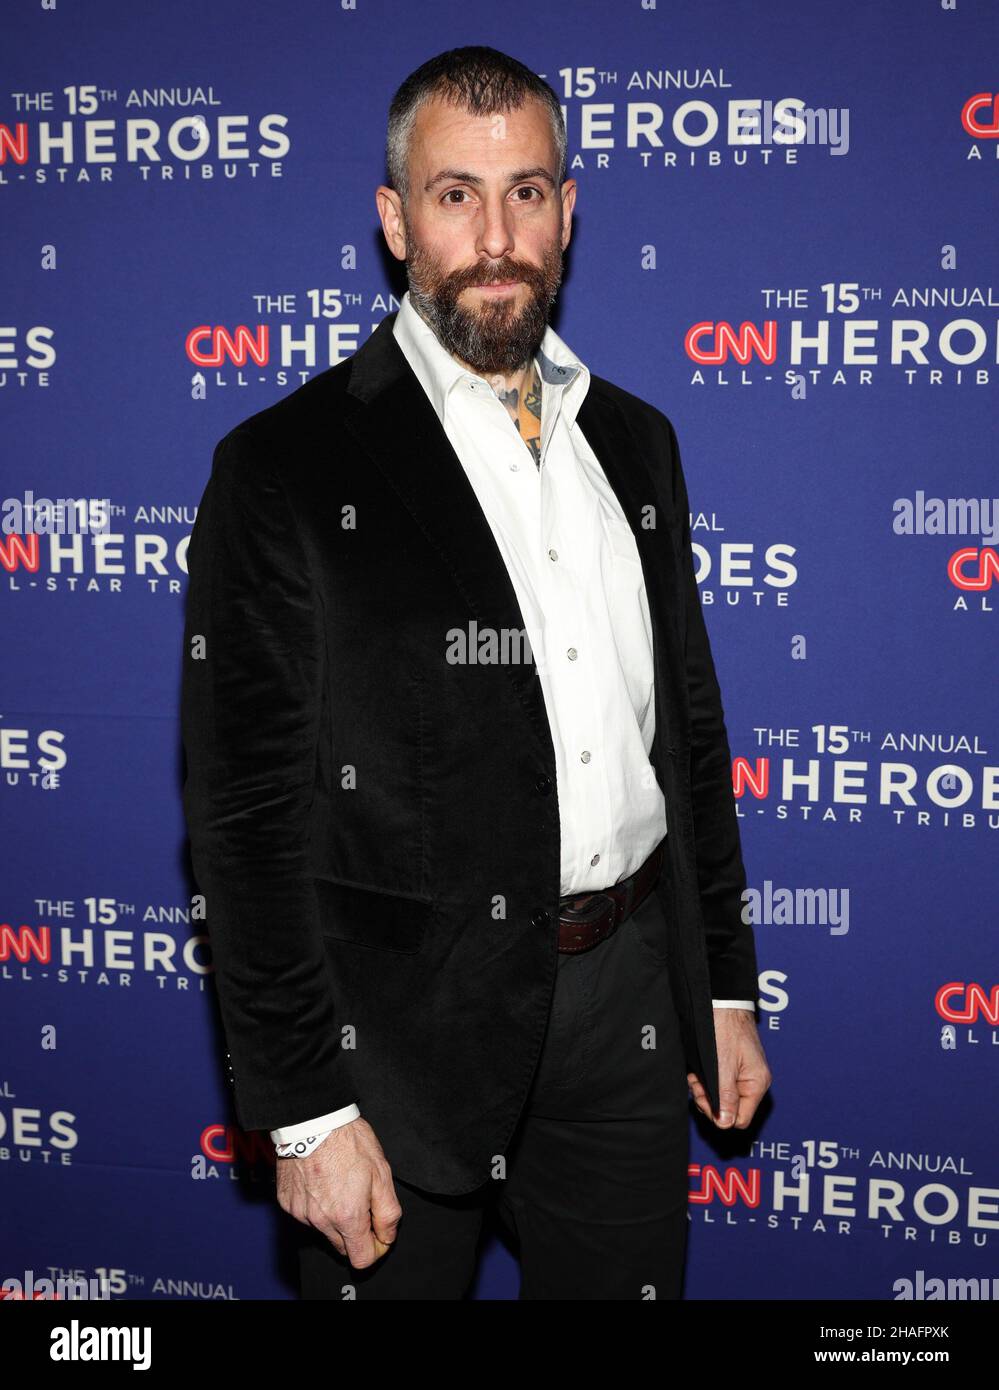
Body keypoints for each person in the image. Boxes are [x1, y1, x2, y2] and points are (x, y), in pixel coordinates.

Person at [180, 44, 771, 1301]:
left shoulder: (637, 439)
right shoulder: (285, 467)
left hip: (625, 1004)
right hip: (395, 1036)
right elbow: (244, 819)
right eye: (456, 195)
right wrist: (301, 1112)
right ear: (397, 222)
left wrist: (718, 980)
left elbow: (688, 735)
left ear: (569, 209)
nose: (496, 236)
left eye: (527, 192)